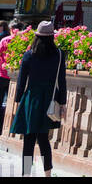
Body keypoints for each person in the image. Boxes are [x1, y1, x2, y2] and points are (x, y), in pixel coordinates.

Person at [11, 20, 66, 176]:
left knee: (29, 139)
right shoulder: (59, 55)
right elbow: (61, 81)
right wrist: (63, 103)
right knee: (43, 139)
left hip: (31, 99)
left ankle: (26, 173)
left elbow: (22, 81)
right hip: (49, 99)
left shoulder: (29, 55)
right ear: (51, 37)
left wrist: (18, 101)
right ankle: (48, 174)